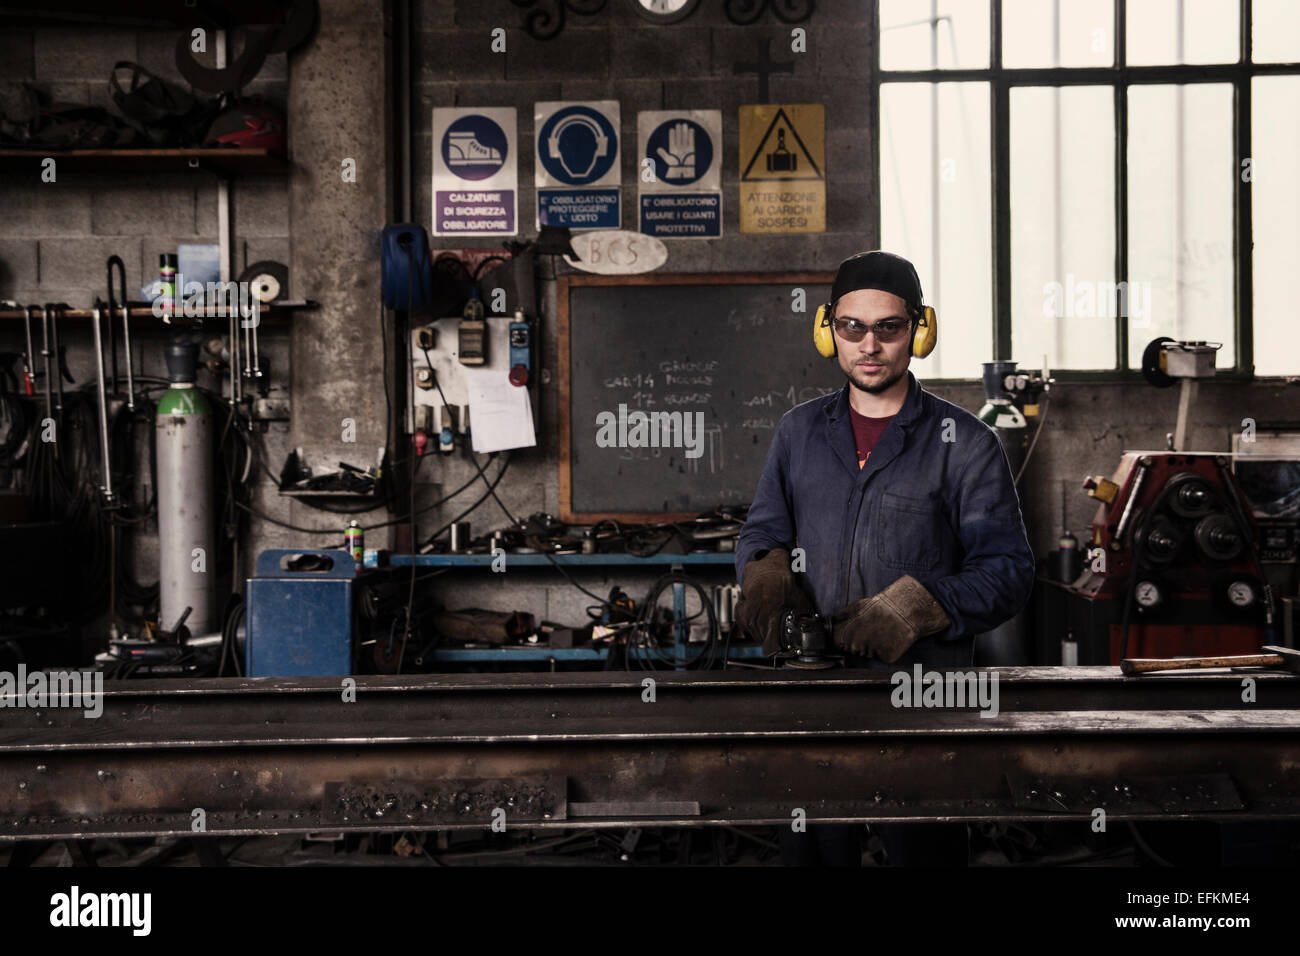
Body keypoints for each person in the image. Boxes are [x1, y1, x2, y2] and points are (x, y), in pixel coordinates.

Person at [734, 250, 1036, 866]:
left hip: (923, 707)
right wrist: (765, 572)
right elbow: (764, 528)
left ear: (919, 331)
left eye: (889, 328)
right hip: (814, 705)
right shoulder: (798, 432)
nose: (869, 345)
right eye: (852, 328)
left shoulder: (966, 444)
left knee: (921, 854)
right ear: (829, 332)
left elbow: (1008, 571)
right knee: (816, 853)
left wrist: (920, 608)